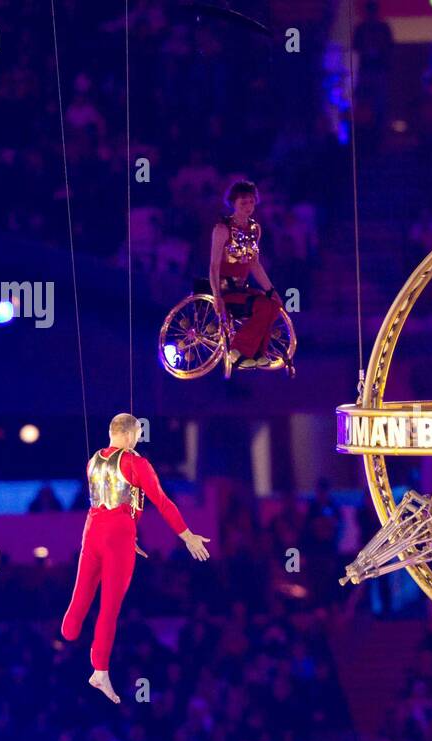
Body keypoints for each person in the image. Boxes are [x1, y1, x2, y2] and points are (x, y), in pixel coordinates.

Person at [61, 414, 211, 703]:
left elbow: (118, 497)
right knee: (110, 606)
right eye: (138, 434)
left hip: (92, 532)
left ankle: (69, 630)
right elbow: (162, 501)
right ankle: (99, 670)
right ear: (131, 435)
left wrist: (131, 537)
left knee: (82, 594)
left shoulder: (93, 461)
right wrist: (187, 535)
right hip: (117, 535)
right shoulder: (136, 462)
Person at [210, 180, 285, 374]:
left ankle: (258, 352)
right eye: (243, 203)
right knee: (261, 306)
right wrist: (216, 295)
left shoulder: (254, 229)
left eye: (251, 202)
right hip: (225, 289)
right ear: (233, 203)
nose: (248, 207)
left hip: (242, 289)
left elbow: (254, 264)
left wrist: (271, 290)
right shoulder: (222, 229)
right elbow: (214, 265)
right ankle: (237, 350)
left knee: (273, 305)